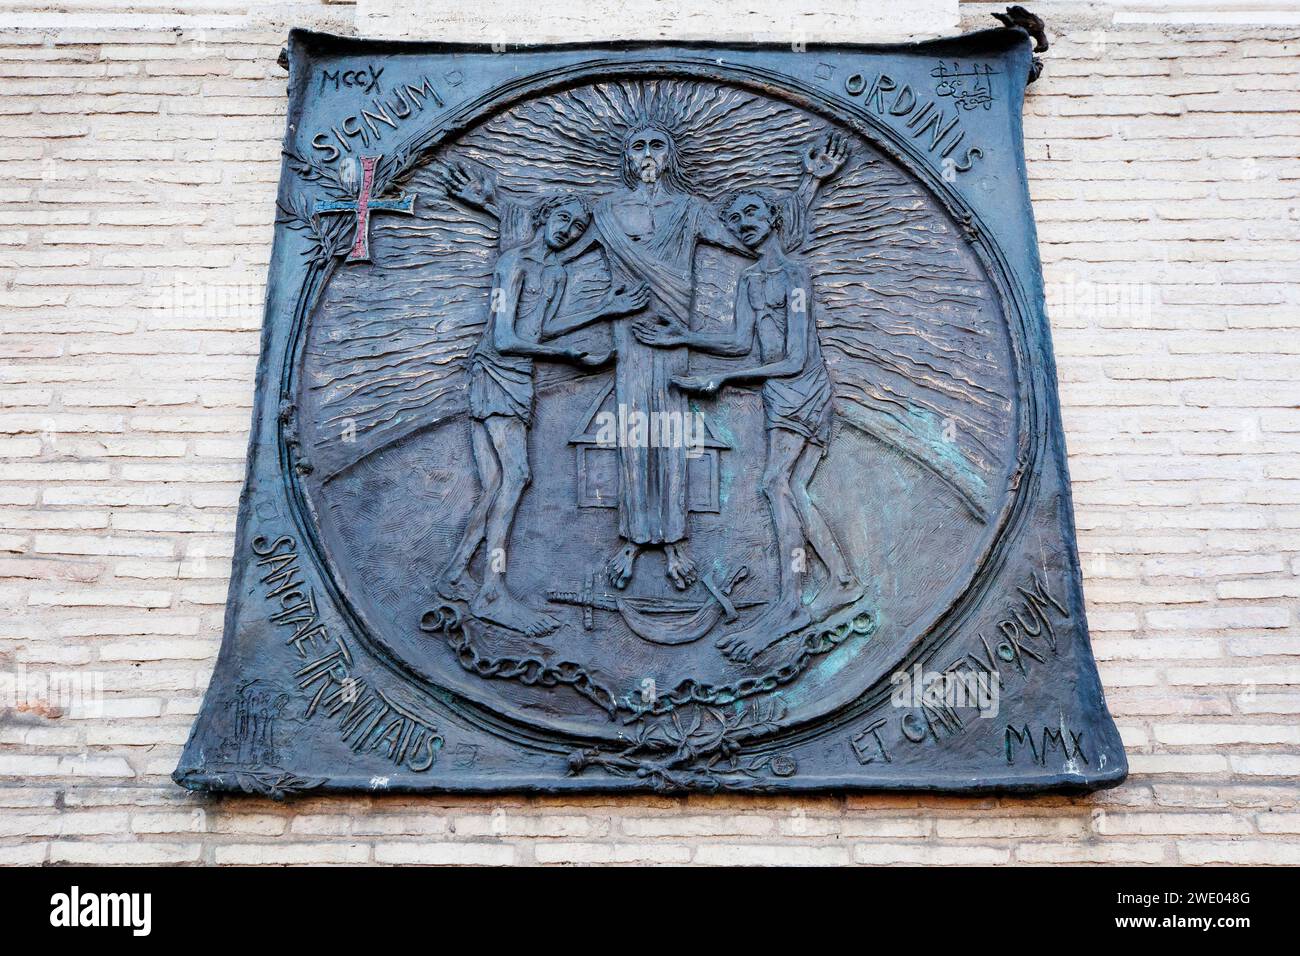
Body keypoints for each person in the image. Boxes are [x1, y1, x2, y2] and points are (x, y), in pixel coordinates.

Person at [637, 188, 863, 663]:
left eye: (753, 212)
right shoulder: (751, 279)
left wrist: (722, 378)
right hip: (776, 393)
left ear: (774, 218)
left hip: (803, 390)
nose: (744, 222)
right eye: (735, 217)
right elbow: (740, 342)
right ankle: (836, 581)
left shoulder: (794, 276)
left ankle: (795, 601)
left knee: (777, 482)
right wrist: (683, 336)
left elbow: (795, 358)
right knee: (789, 486)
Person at [437, 193, 647, 638]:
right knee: (515, 476)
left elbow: (542, 328)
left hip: (519, 376)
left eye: (575, 226)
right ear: (545, 215)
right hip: (496, 373)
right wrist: (565, 354)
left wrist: (602, 310)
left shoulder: (553, 273)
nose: (566, 229)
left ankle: (456, 573)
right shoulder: (512, 264)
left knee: (498, 482)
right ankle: (492, 590)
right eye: (562, 218)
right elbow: (505, 337)